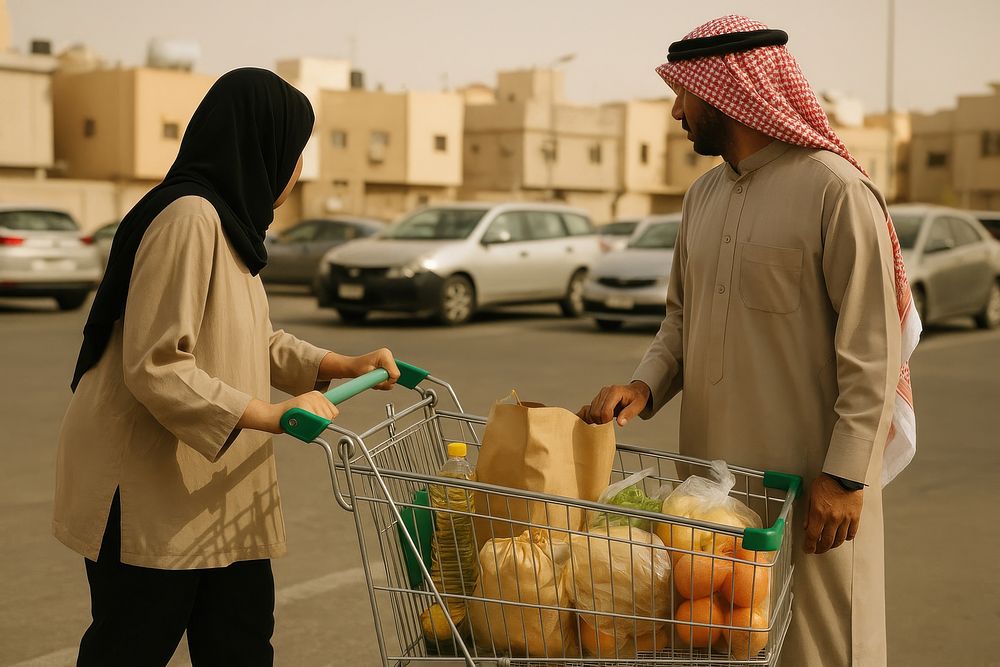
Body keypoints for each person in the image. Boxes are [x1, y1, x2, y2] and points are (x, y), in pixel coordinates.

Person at [578, 16, 920, 666]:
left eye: (685, 92)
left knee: (819, 647)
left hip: (810, 491)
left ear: (729, 90)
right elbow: (681, 319)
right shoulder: (701, 197)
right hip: (708, 493)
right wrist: (644, 384)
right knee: (722, 642)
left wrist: (845, 476)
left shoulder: (835, 191)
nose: (677, 110)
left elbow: (873, 351)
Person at [52, 68, 400, 666]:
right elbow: (157, 364)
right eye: (295, 154)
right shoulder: (189, 218)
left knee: (239, 645)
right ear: (261, 144)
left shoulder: (230, 224)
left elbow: (247, 340)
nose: (296, 172)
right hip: (151, 496)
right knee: (130, 647)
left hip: (218, 492)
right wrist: (270, 413)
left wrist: (337, 363)